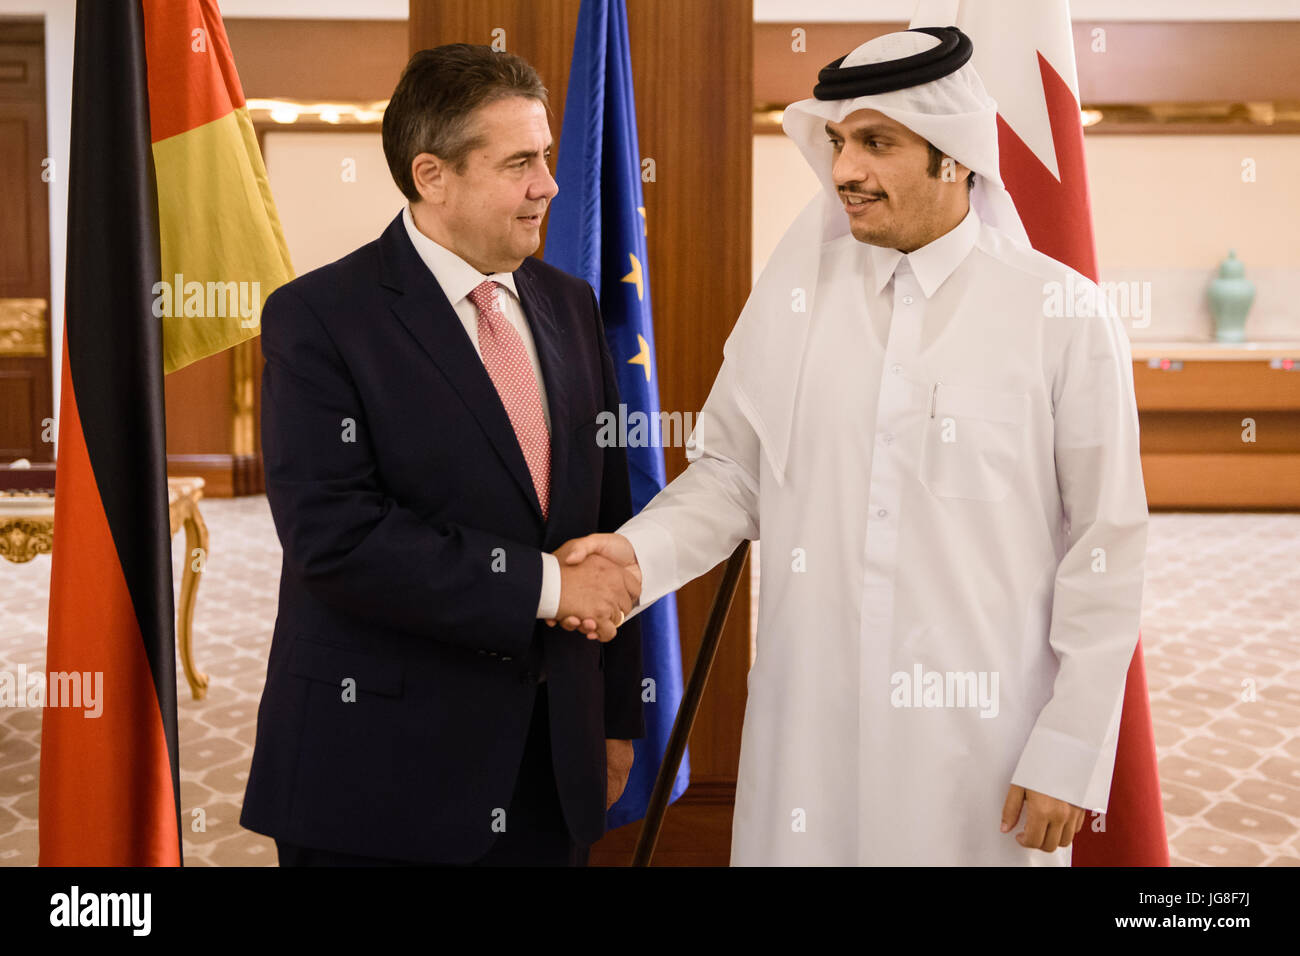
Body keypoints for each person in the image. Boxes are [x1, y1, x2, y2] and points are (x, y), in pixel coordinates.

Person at [555, 26, 1148, 865]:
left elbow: (1107, 545)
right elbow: (732, 475)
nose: (843, 172)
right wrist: (631, 559)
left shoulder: (1062, 316)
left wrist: (1071, 746)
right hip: (811, 737)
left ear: (956, 157)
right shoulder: (795, 299)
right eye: (838, 142)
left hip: (979, 746)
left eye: (877, 143)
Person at [240, 44, 644, 866]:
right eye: (521, 163)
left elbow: (607, 520)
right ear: (433, 176)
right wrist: (547, 585)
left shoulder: (569, 304)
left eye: (549, 157)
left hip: (550, 763)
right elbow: (336, 538)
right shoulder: (318, 318)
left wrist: (613, 717)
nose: (549, 186)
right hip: (380, 774)